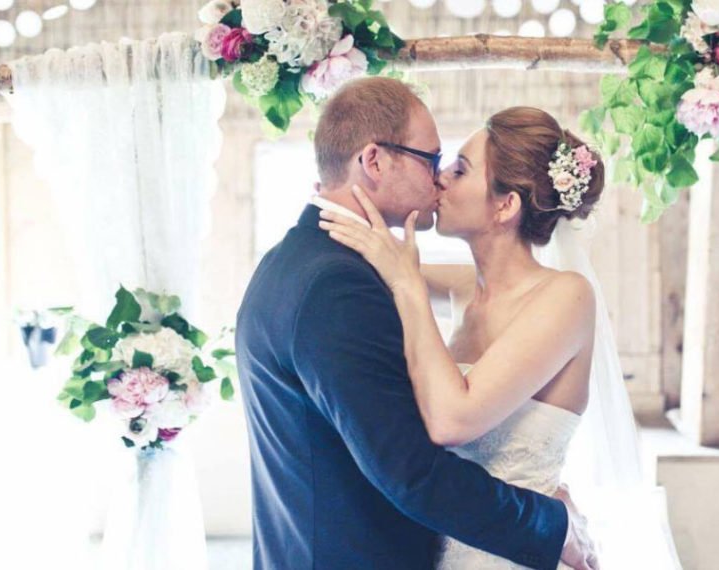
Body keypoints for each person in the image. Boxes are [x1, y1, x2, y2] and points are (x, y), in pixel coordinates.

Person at [236, 79, 597, 570]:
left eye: (457, 167)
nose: (440, 179)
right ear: (374, 161)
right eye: (433, 160)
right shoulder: (340, 284)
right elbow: (410, 470)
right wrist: (550, 526)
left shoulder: (311, 262)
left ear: (506, 204)